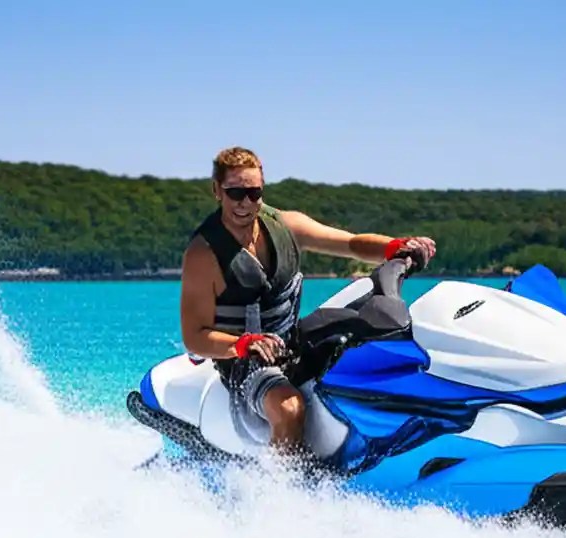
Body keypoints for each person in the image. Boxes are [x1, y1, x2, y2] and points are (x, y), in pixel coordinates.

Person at [180, 146, 436, 455]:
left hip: (292, 343)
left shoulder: (286, 226)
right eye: (235, 193)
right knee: (290, 408)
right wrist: (244, 344)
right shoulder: (203, 254)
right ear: (217, 191)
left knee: (369, 343)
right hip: (244, 364)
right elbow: (195, 337)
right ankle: (286, 492)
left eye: (253, 192)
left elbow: (352, 244)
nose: (245, 203)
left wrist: (395, 247)